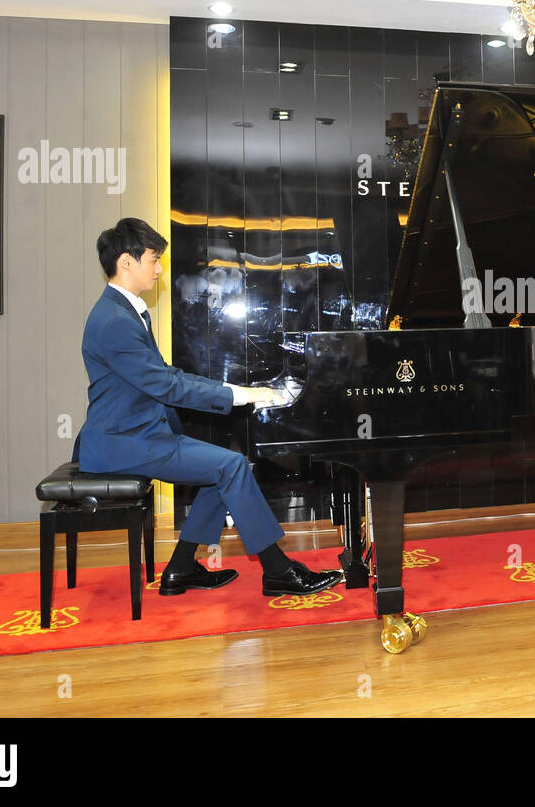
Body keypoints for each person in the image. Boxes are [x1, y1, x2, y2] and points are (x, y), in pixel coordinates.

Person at [75, 218, 342, 597]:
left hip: (136, 432)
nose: (159, 268)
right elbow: (165, 385)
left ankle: (181, 568)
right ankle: (278, 570)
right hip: (124, 440)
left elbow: (166, 374)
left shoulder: (124, 310)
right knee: (230, 465)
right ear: (126, 262)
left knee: (226, 466)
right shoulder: (115, 319)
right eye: (153, 259)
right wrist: (240, 395)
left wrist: (236, 390)